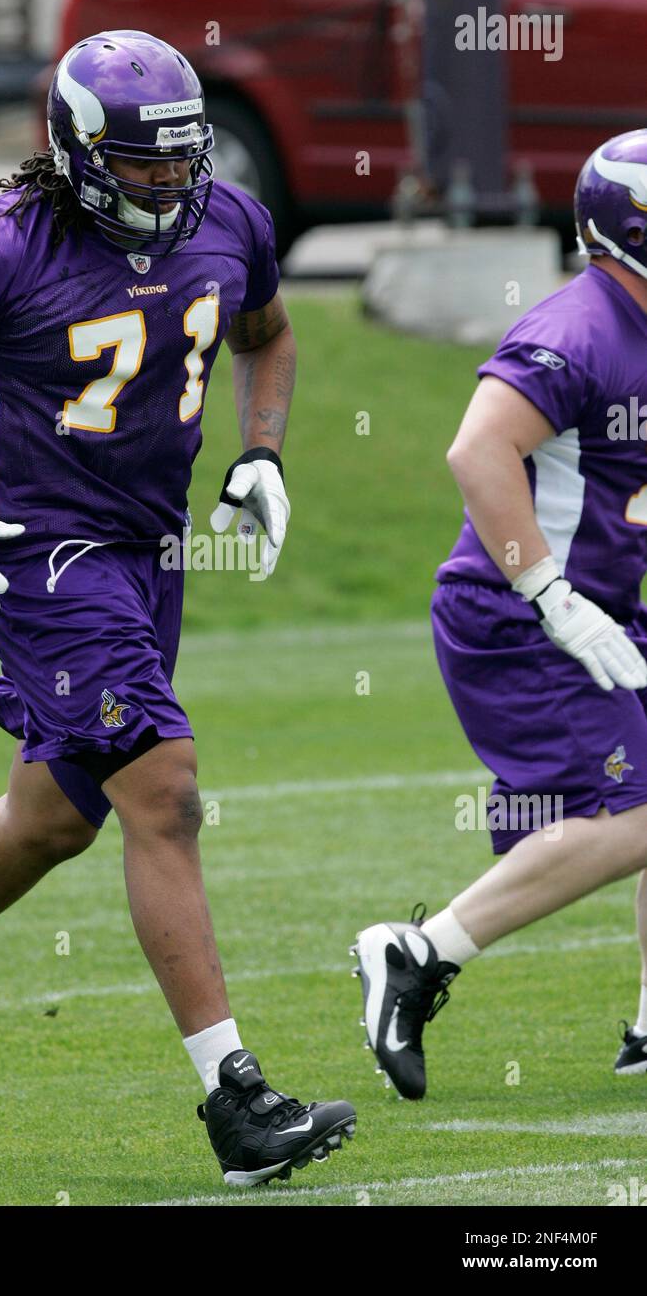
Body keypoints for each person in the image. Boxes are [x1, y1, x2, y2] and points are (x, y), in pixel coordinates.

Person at [0, 30, 355, 1185]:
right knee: (164, 788)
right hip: (38, 550)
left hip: (147, 552)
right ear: (75, 151)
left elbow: (267, 329)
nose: (165, 184)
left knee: (60, 814)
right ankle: (236, 1102)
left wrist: (261, 453)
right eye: (140, 164)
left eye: (177, 161)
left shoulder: (228, 221)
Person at [352, 129, 647, 1099]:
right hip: (519, 613)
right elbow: (476, 449)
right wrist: (549, 594)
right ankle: (418, 953)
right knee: (630, 815)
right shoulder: (579, 329)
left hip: (597, 605)